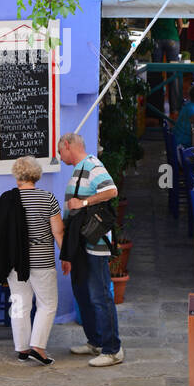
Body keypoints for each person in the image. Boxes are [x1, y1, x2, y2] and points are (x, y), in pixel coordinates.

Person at [57, 131, 123, 366]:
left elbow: (111, 190)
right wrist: (68, 252)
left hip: (95, 245)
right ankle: (95, 341)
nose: (60, 157)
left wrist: (83, 202)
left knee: (99, 295)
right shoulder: (79, 170)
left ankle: (113, 349)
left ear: (67, 145)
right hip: (80, 246)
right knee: (83, 293)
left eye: (59, 151)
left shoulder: (92, 164)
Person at [4, 156, 64, 364]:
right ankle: (37, 347)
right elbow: (58, 232)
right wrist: (66, 256)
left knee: (20, 304)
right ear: (36, 175)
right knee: (47, 304)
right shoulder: (47, 198)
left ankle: (22, 349)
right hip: (42, 261)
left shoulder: (8, 199)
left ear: (17, 175)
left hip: (15, 262)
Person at [152, 16, 182, 117]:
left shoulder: (155, 2)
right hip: (172, 37)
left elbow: (148, 23)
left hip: (156, 37)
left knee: (156, 74)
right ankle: (175, 109)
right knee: (173, 74)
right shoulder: (173, 2)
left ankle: (156, 108)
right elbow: (180, 25)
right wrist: (174, 35)